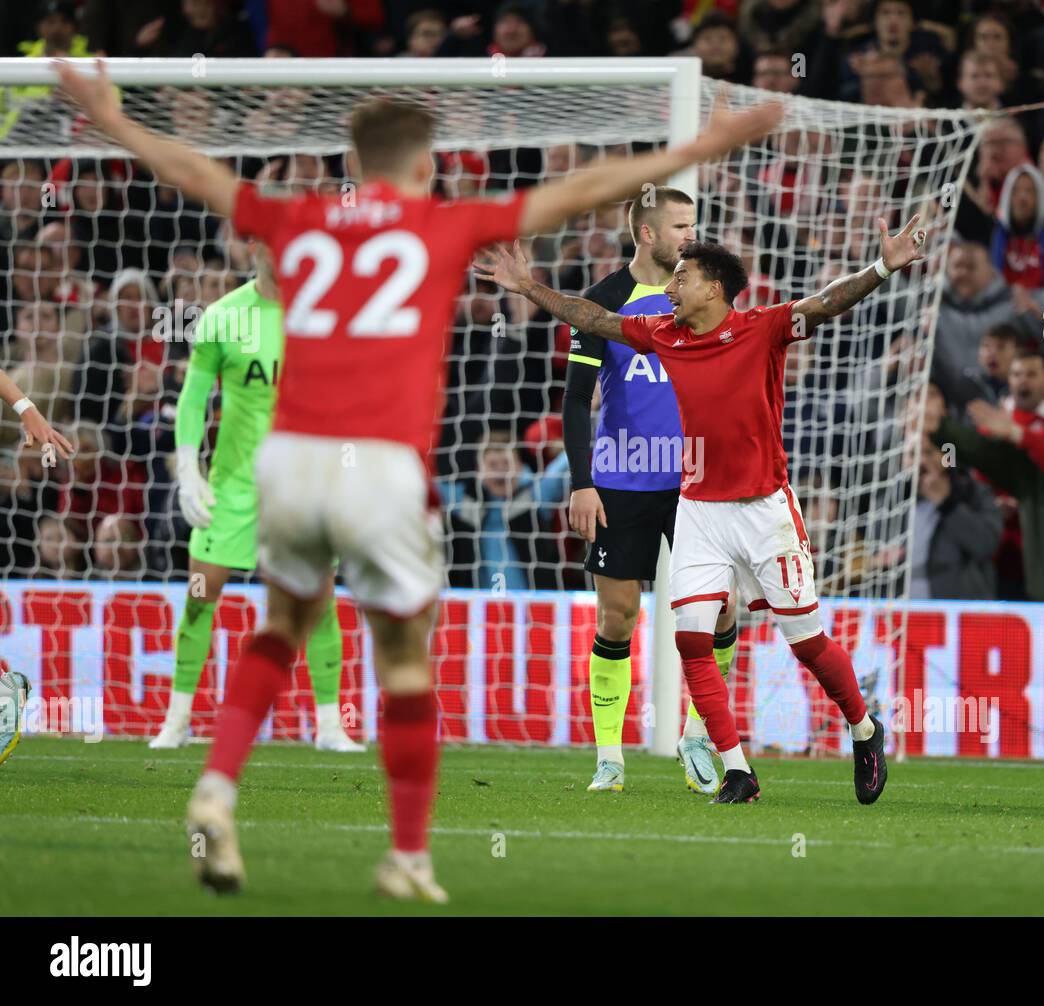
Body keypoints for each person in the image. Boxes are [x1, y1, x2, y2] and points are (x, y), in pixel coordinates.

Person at [56, 57, 781, 898]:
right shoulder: (444, 227)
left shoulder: (299, 222)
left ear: (353, 166)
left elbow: (197, 173)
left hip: (285, 461)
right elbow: (584, 190)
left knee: (280, 626)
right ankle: (406, 856)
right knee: (403, 659)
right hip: (380, 467)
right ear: (428, 167)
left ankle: (217, 786)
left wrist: (112, 120)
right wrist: (697, 144)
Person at [476, 214, 926, 805]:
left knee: (806, 642)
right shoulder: (664, 333)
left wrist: (883, 266)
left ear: (713, 288)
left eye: (681, 277)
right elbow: (595, 319)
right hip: (700, 511)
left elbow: (823, 304)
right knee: (691, 639)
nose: (670, 287)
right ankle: (736, 769)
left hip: (765, 509)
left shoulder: (762, 329)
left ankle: (864, 731)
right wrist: (529, 288)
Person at [149, 242, 362, 754]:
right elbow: (194, 396)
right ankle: (176, 721)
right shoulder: (223, 317)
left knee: (318, 600)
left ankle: (331, 726)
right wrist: (186, 466)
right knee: (201, 594)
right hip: (235, 486)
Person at [562, 186, 737, 797]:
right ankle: (609, 757)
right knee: (618, 617)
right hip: (620, 482)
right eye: (681, 226)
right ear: (647, 234)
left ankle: (696, 735)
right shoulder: (606, 303)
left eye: (694, 225)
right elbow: (576, 400)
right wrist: (582, 483)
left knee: (720, 611)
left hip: (695, 482)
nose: (691, 235)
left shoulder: (700, 296)